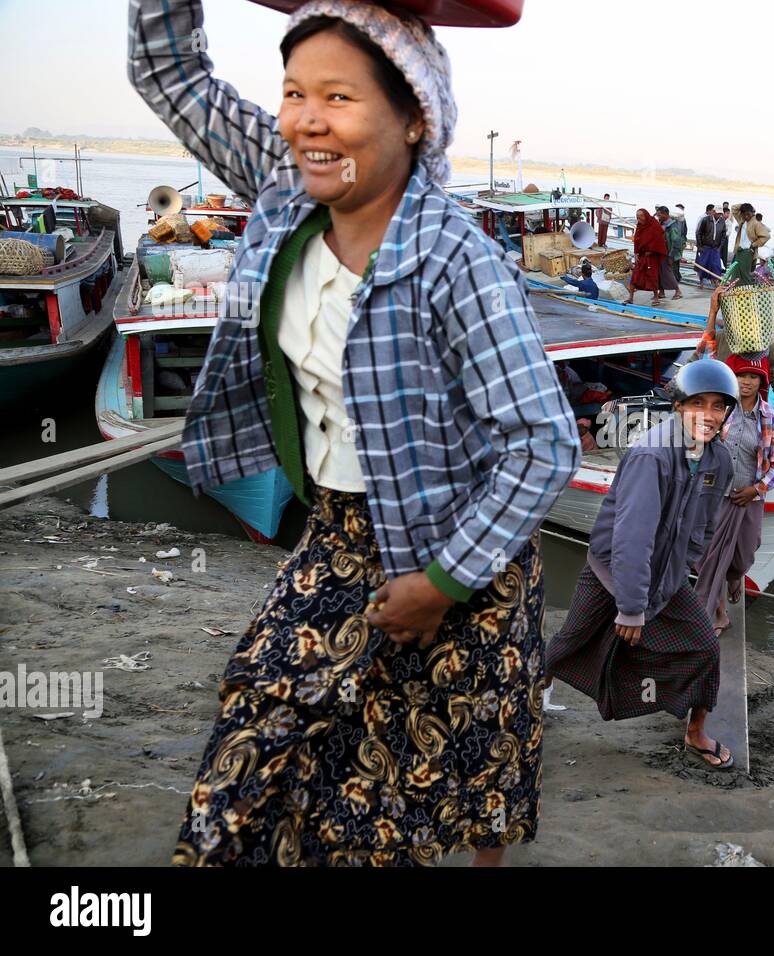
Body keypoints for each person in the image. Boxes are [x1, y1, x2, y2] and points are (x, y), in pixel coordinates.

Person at [130, 0, 581, 867]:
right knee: (256, 738)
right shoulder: (285, 176)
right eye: (294, 92)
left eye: (337, 97)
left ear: (414, 119)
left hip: (465, 553)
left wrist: (445, 581)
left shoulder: (456, 258)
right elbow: (169, 73)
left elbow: (543, 442)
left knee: (464, 776)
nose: (306, 120)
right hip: (337, 535)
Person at [546, 359, 741, 770]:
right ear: (678, 405)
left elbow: (704, 527)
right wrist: (631, 608)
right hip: (611, 572)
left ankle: (695, 732)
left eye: (718, 406)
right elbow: (631, 538)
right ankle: (529, 698)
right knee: (569, 642)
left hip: (667, 577)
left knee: (705, 645)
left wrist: (681, 570)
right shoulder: (652, 455)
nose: (708, 415)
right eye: (697, 403)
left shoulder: (718, 461)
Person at [695, 354, 774, 634]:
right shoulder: (722, 409)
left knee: (743, 556)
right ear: (732, 379)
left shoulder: (769, 415)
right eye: (741, 376)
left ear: (761, 381)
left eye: (753, 377)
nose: (746, 382)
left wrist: (756, 489)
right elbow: (698, 445)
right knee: (710, 557)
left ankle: (736, 578)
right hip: (715, 496)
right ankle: (717, 615)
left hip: (749, 498)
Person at [696, 282, 774, 408]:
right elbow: (700, 353)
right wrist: (713, 310)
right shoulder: (723, 337)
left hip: (754, 405)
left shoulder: (767, 339)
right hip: (726, 401)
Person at [630, 207, 673, 305]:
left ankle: (656, 297)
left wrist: (652, 250)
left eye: (640, 216)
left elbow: (659, 240)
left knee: (652, 277)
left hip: (652, 256)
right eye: (637, 217)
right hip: (641, 256)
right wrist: (636, 253)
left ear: (645, 216)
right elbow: (637, 239)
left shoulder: (654, 224)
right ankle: (630, 298)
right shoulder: (640, 226)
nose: (639, 219)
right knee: (635, 276)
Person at [731, 202, 771, 283]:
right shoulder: (742, 220)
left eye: (748, 214)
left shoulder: (756, 223)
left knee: (744, 274)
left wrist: (754, 244)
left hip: (748, 252)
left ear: (751, 213)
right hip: (739, 251)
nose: (746, 216)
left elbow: (766, 236)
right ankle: (736, 290)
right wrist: (745, 206)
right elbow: (733, 208)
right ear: (741, 214)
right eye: (744, 214)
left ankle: (746, 291)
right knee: (736, 273)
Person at [655, 206, 684, 300]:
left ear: (665, 214)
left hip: (669, 253)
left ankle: (678, 291)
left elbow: (675, 241)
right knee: (660, 272)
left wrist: (671, 256)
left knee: (668, 273)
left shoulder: (672, 225)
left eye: (660, 215)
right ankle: (661, 291)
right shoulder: (661, 223)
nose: (658, 217)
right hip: (661, 252)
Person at [694, 203, 724, 286]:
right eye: (718, 213)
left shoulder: (722, 222)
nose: (719, 215)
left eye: (720, 213)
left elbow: (723, 235)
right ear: (714, 212)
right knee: (703, 264)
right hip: (706, 246)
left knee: (716, 265)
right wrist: (700, 246)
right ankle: (701, 281)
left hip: (715, 247)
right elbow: (699, 233)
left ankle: (716, 281)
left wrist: (720, 246)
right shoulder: (705, 220)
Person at [666, 204, 688, 284]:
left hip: (678, 243)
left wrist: (683, 241)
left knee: (676, 261)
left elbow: (684, 231)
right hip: (672, 244)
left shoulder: (682, 220)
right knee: (672, 261)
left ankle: (675, 277)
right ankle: (673, 277)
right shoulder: (671, 221)